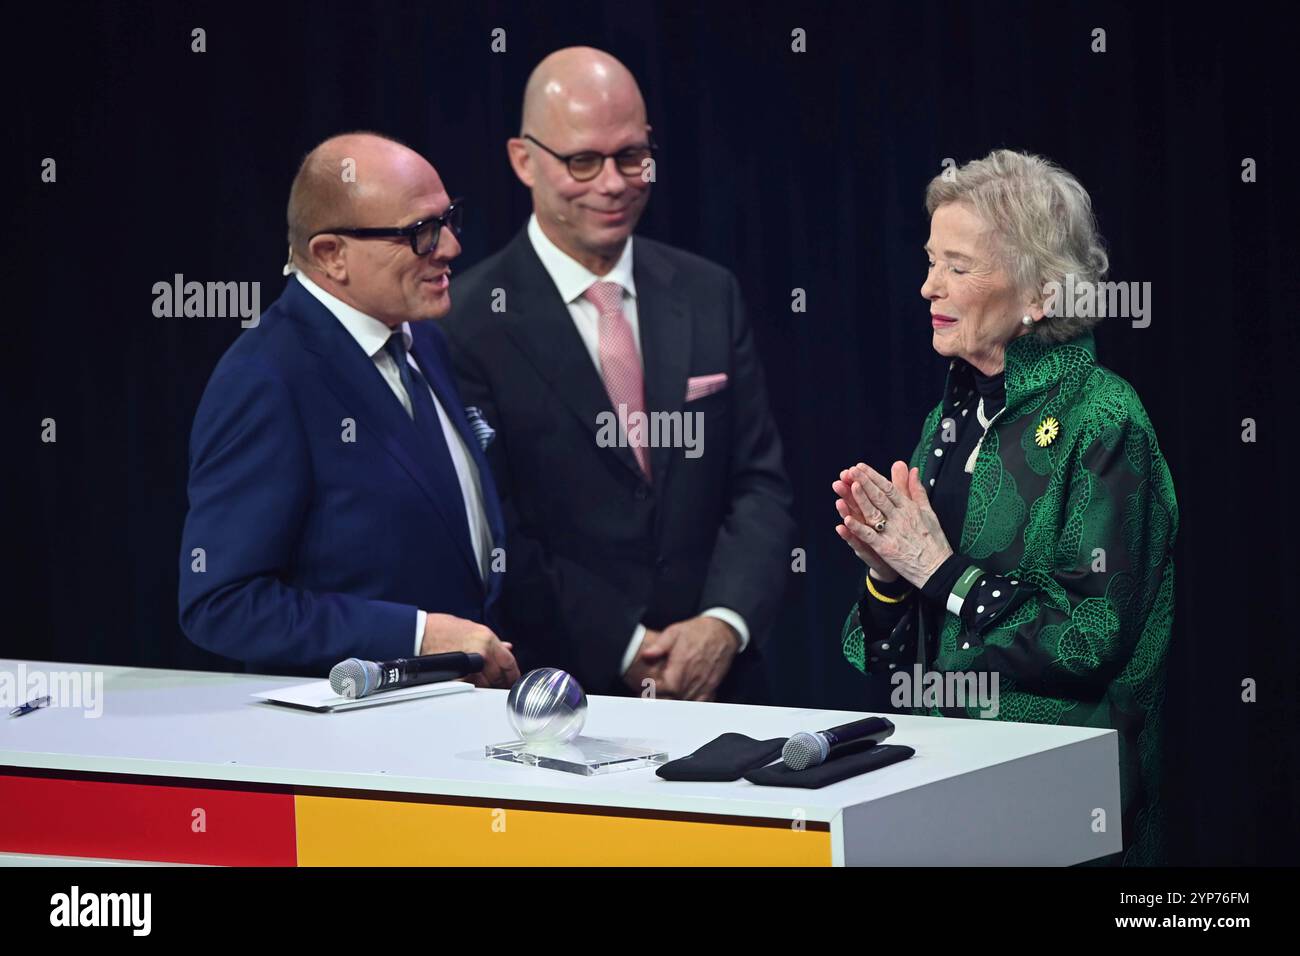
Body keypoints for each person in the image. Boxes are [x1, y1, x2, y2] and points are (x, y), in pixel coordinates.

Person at [834, 149, 1177, 865]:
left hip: (1059, 810)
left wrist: (939, 570)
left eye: (959, 267)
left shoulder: (1105, 421)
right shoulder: (949, 418)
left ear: (1042, 295)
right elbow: (900, 658)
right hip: (941, 790)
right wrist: (889, 574)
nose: (930, 286)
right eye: (932, 260)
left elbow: (1087, 641)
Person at [442, 48, 795, 701]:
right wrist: (625, 646)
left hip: (725, 688)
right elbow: (494, 528)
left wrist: (724, 623)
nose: (613, 183)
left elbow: (759, 486)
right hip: (557, 694)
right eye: (583, 161)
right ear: (524, 159)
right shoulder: (463, 321)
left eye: (633, 156)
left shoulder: (708, 291)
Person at [179, 132, 519, 686]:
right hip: (347, 747)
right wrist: (417, 635)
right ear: (331, 256)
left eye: (448, 218)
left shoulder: (422, 339)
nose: (451, 247)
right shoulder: (265, 378)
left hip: (454, 719)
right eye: (421, 233)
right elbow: (222, 603)